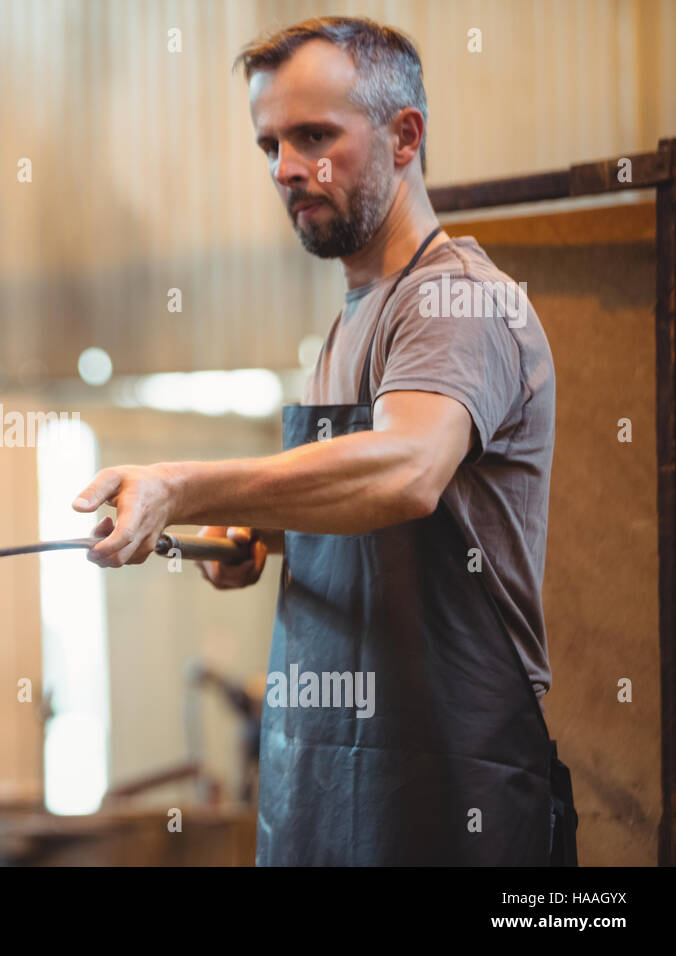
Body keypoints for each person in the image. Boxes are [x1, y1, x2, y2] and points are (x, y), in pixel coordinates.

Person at [71, 16, 577, 865]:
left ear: (404, 135)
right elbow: (362, 510)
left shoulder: (454, 303)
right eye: (270, 143)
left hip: (456, 801)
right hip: (330, 791)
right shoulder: (349, 324)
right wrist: (263, 532)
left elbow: (406, 471)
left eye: (315, 136)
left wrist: (187, 486)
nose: (285, 168)